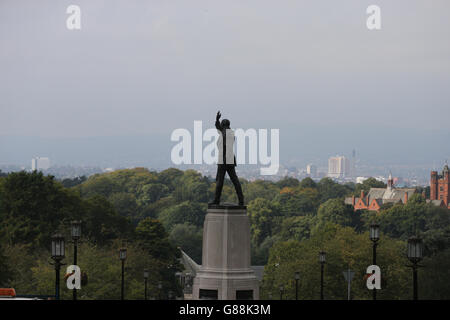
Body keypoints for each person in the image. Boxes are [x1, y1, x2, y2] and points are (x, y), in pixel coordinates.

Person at [210, 111, 244, 206]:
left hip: (224, 160)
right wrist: (217, 120)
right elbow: (218, 128)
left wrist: (223, 160)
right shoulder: (229, 132)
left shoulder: (225, 133)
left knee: (220, 181)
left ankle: (216, 200)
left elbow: (225, 146)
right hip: (229, 160)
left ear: (223, 125)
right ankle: (241, 200)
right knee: (234, 180)